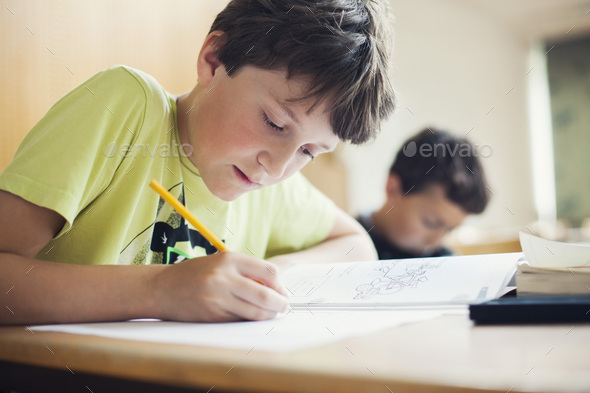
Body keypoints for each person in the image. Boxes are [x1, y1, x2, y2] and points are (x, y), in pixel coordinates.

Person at [0, 0, 395, 325]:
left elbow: (357, 245)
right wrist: (158, 290)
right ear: (214, 58)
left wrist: (273, 276)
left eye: (308, 152)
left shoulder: (270, 186)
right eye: (274, 123)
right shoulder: (126, 107)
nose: (276, 168)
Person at [357, 128, 490, 260]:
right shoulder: (347, 243)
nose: (434, 243)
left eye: (449, 230)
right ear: (392, 188)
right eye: (430, 223)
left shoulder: (444, 261)